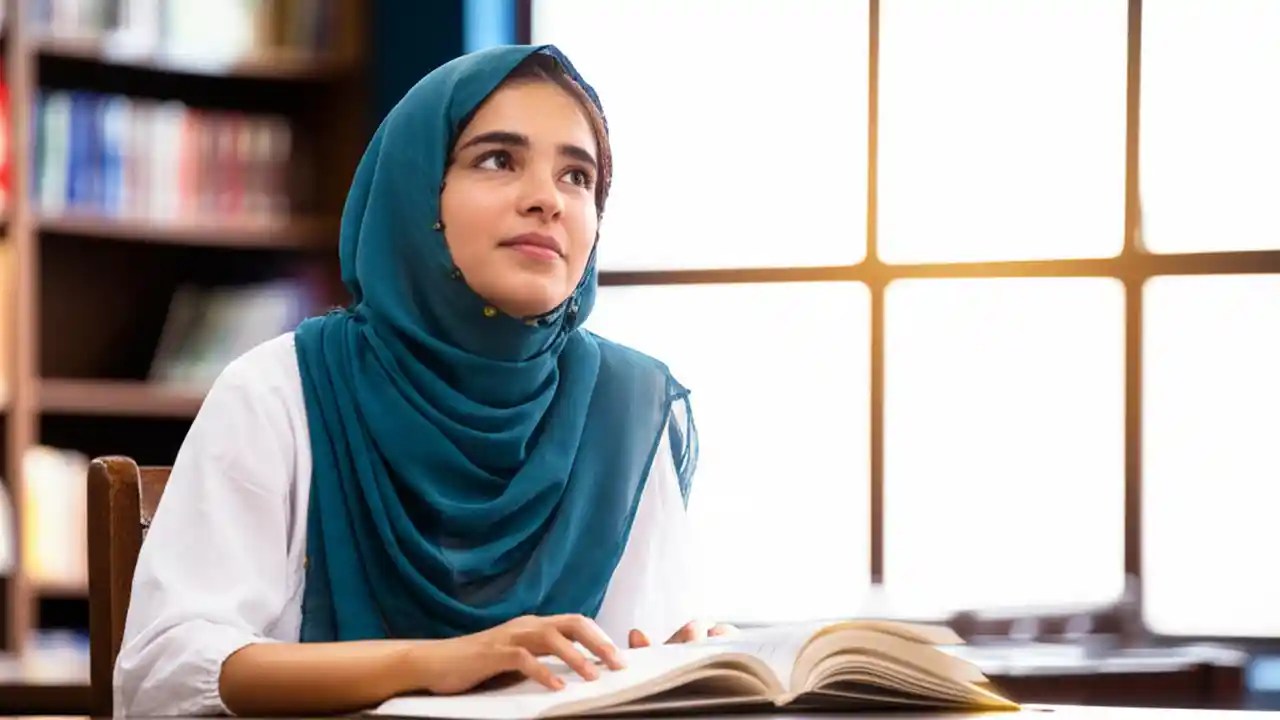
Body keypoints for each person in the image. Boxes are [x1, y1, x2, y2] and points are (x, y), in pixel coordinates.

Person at [113, 44, 730, 717]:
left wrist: (684, 661)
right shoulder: (278, 390)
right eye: (498, 159)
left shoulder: (629, 404)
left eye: (578, 177)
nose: (547, 201)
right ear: (417, 190)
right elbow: (166, 676)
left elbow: (637, 647)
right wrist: (431, 664)